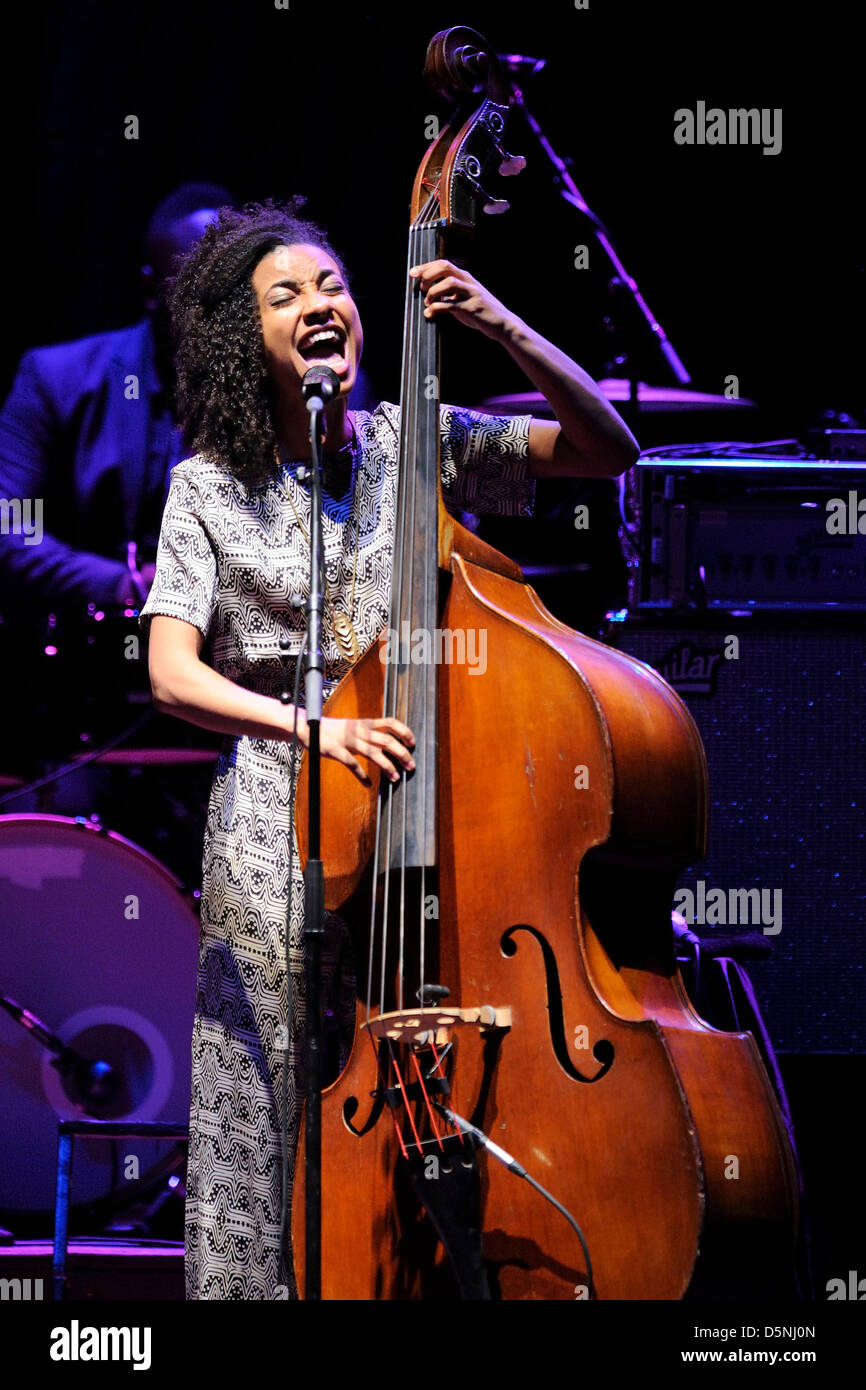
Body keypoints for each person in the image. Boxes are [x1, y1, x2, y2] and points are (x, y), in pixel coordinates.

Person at [140, 199, 639, 1299]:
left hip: (422, 812)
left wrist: (503, 325)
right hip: (279, 809)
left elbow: (606, 450)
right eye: (286, 295)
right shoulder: (206, 487)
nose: (320, 305)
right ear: (243, 337)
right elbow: (170, 674)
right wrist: (314, 726)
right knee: (257, 1095)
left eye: (331, 286)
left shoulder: (412, 441)